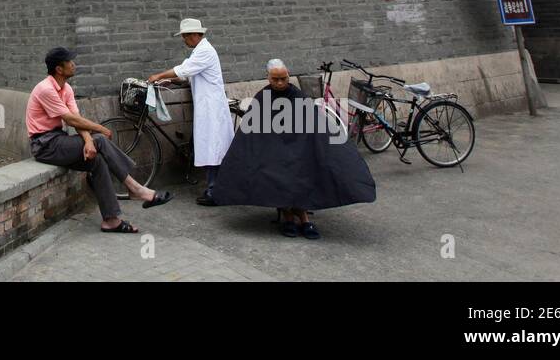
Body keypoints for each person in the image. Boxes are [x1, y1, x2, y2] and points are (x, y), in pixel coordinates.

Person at [211, 58, 375, 240]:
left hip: (299, 148)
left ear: (288, 75)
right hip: (272, 151)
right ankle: (288, 215)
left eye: (283, 78)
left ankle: (303, 216)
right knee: (276, 169)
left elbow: (314, 125)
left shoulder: (298, 96)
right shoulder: (261, 98)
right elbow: (251, 131)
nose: (280, 83)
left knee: (301, 169)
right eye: (275, 79)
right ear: (268, 78)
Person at [27, 46, 172, 233]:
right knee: (101, 140)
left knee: (97, 160)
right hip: (44, 144)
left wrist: (88, 141)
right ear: (59, 69)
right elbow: (70, 119)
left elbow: (76, 119)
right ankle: (135, 189)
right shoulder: (45, 89)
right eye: (69, 62)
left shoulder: (66, 88)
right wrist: (100, 129)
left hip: (58, 139)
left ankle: (111, 220)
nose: (74, 64)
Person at [146, 17, 234, 206]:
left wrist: (159, 75)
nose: (184, 40)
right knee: (213, 148)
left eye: (185, 37)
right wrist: (173, 80)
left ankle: (214, 191)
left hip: (212, 108)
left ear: (195, 35)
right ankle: (215, 188)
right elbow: (190, 75)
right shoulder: (200, 51)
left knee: (214, 149)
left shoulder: (204, 51)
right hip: (207, 106)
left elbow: (184, 70)